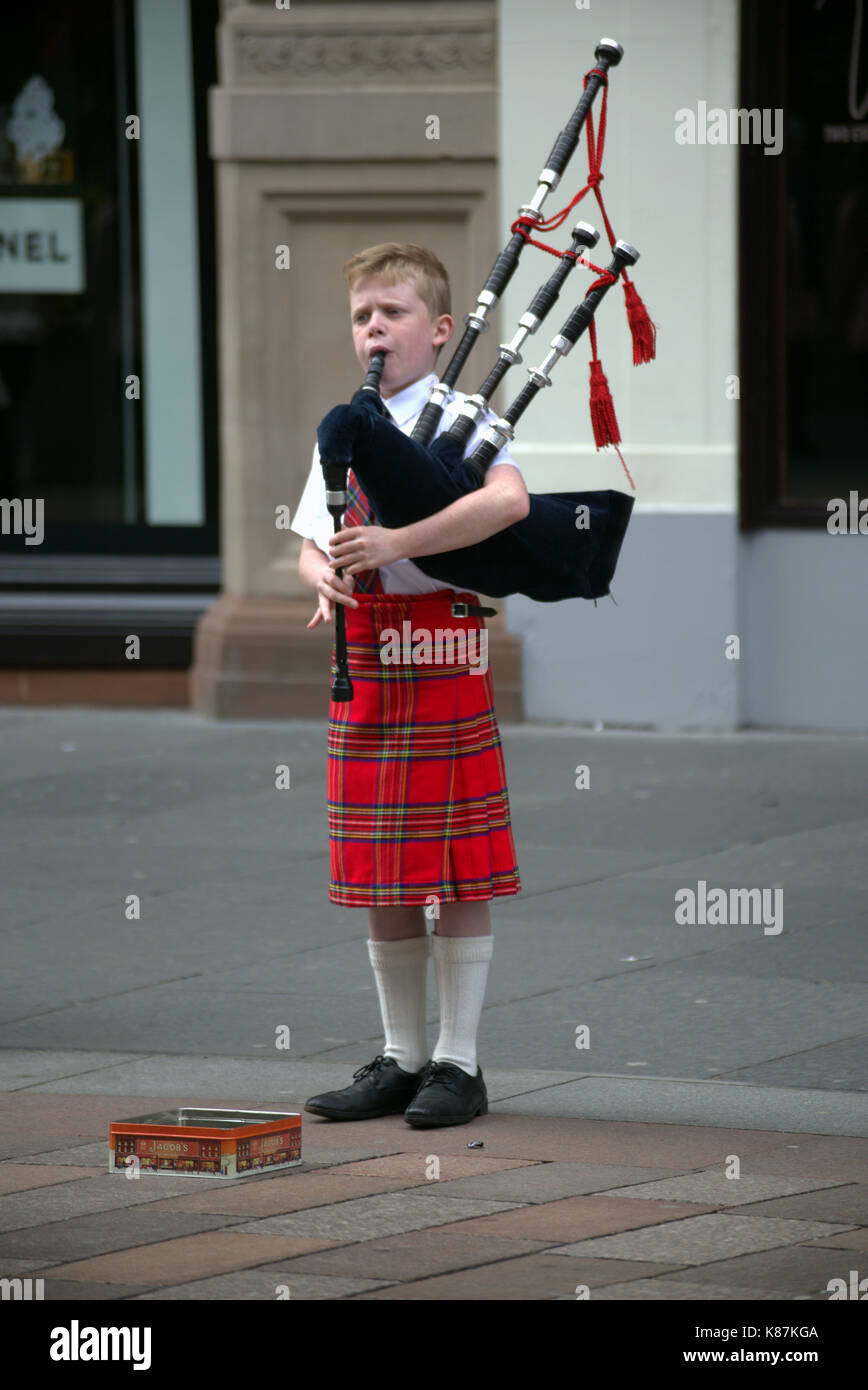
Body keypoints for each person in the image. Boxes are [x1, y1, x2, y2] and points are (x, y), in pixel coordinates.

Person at [290, 243, 527, 1127]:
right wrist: (321, 571)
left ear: (438, 329)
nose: (374, 328)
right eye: (362, 316)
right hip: (368, 665)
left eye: (391, 313)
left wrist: (396, 545)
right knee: (385, 876)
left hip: (442, 657)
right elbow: (312, 534)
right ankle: (402, 1057)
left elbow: (505, 506)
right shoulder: (348, 425)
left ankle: (460, 1067)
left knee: (458, 875)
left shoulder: (467, 418)